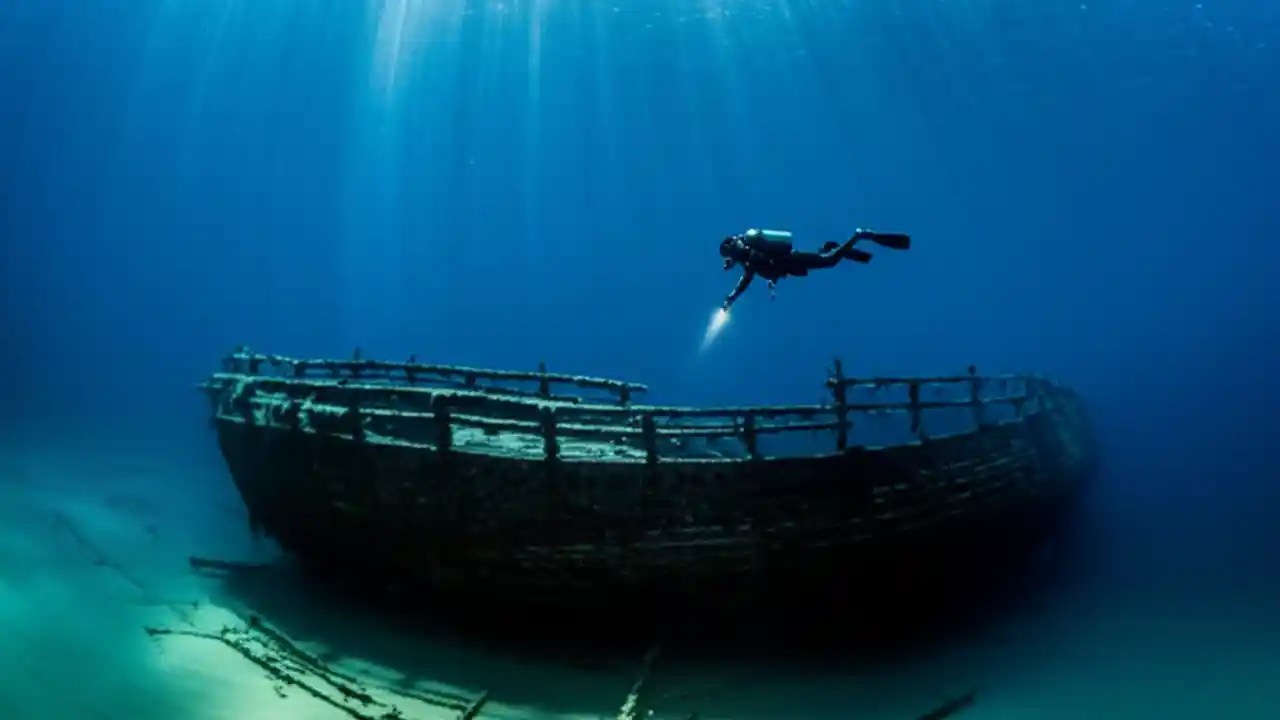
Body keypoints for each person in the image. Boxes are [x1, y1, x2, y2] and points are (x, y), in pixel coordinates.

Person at [719, 227, 911, 310]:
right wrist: (732, 297)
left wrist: (732, 298)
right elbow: (747, 277)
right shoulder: (747, 258)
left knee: (829, 261)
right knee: (828, 258)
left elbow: (746, 280)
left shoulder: (749, 258)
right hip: (791, 262)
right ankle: (832, 247)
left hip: (792, 259)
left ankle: (858, 235)